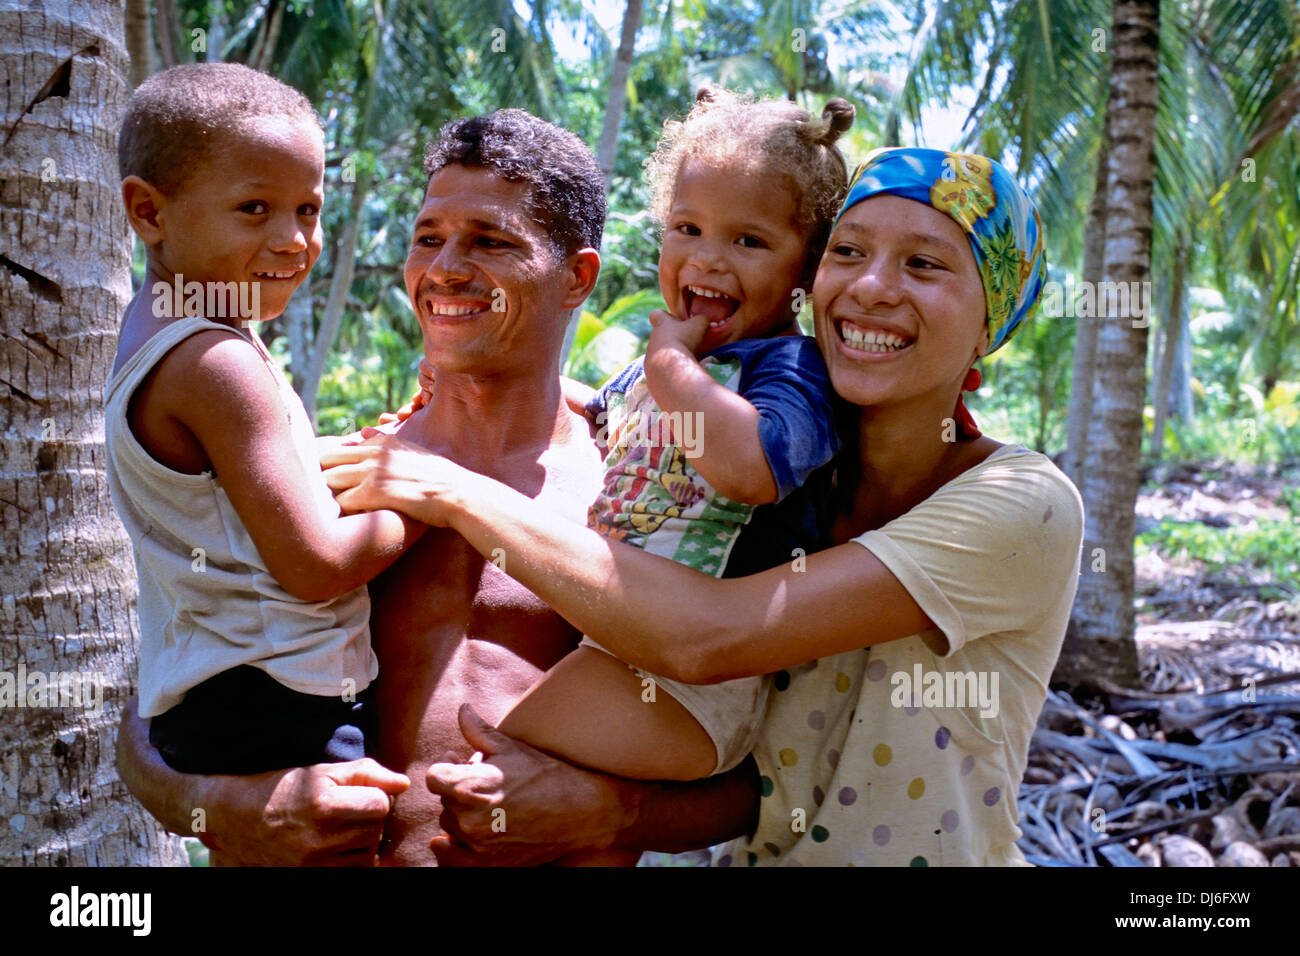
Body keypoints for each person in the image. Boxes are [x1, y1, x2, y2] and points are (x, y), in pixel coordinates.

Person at [322, 146, 1085, 866]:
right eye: (847, 253)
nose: (873, 286)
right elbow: (762, 790)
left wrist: (451, 490)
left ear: (991, 322)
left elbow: (708, 639)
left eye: (923, 264)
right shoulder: (779, 492)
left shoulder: (1020, 505)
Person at [116, 107, 764, 865]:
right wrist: (221, 809)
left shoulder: (650, 486)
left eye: (490, 240)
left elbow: (765, 775)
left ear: (577, 277)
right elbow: (151, 711)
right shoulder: (337, 479)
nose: (446, 268)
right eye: (429, 238)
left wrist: (614, 814)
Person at [106, 63, 424, 795]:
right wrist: (426, 488)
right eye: (255, 209)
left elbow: (226, 490)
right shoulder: (218, 363)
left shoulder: (165, 332)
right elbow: (316, 566)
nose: (294, 240)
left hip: (223, 693)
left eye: (307, 210)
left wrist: (348, 455)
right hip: (285, 695)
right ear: (149, 213)